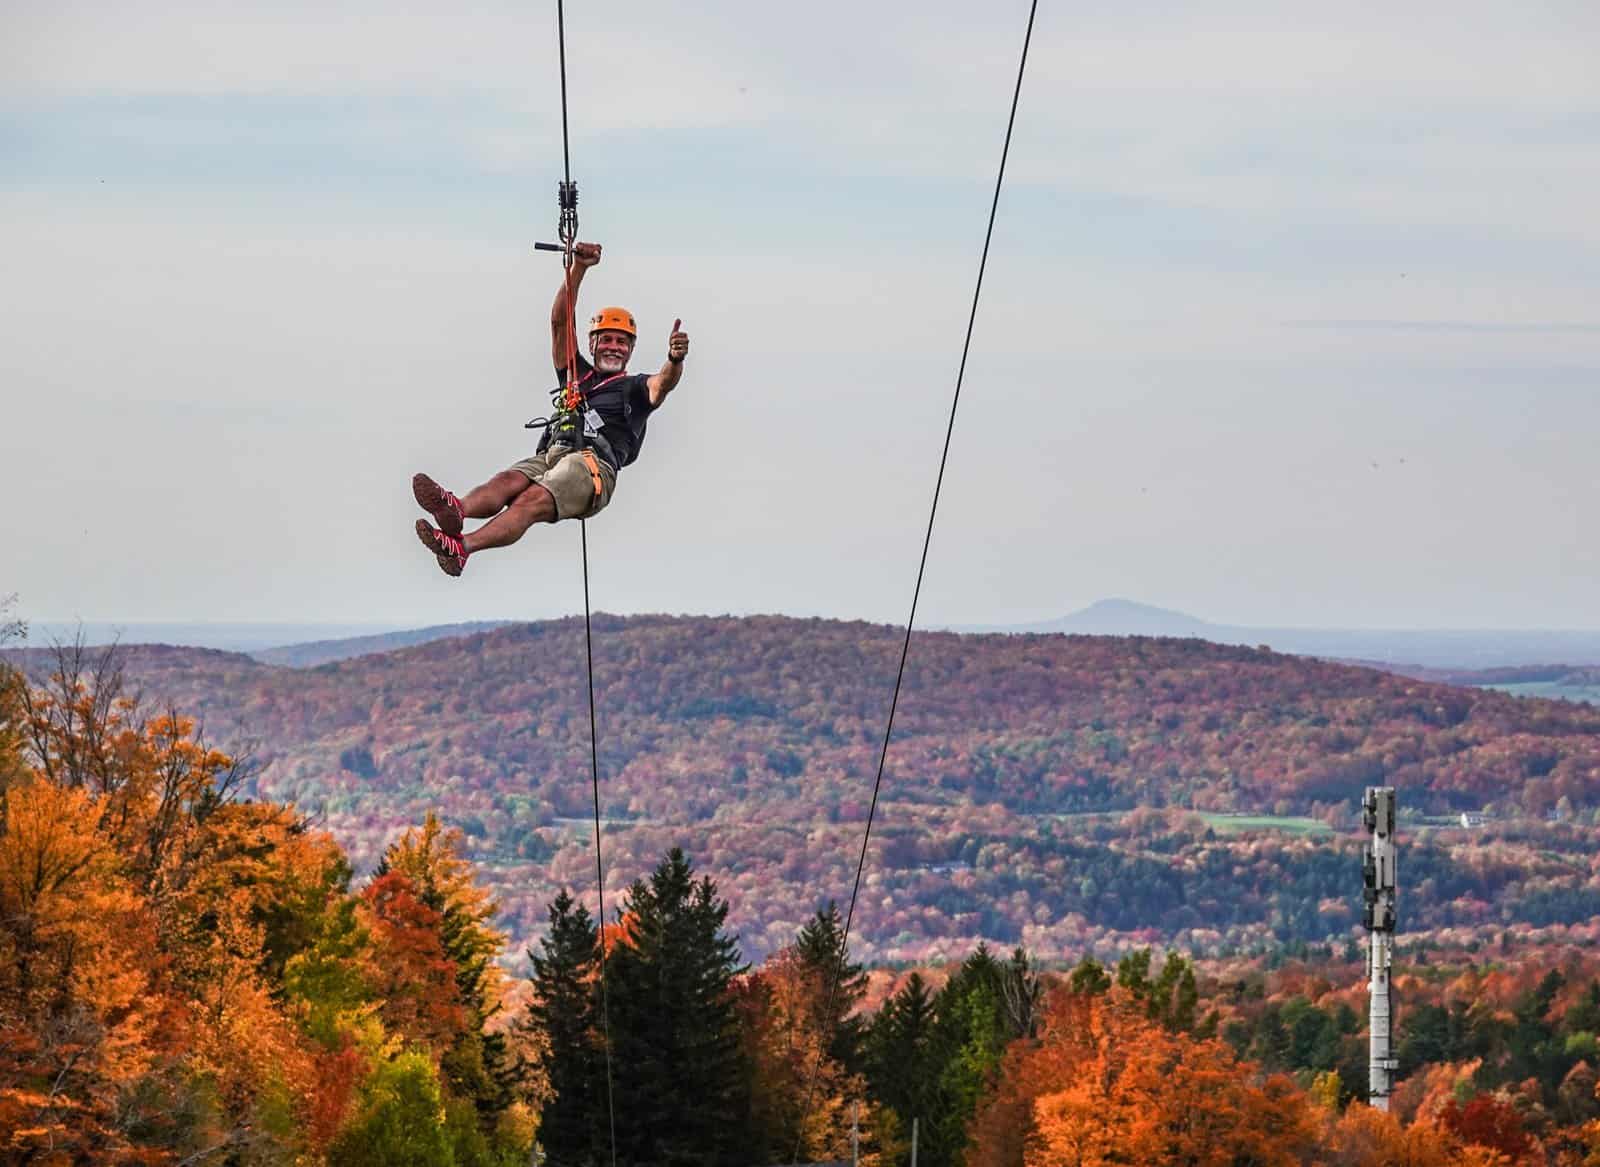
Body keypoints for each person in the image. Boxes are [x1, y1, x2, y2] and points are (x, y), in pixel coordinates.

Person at [412, 241, 689, 576]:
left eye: (621, 341)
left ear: (630, 350)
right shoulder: (576, 374)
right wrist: (579, 269)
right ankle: (457, 509)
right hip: (554, 454)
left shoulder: (635, 388)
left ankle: (463, 547)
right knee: (508, 480)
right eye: (606, 339)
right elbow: (560, 324)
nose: (612, 347)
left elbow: (664, 383)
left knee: (529, 502)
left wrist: (674, 358)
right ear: (592, 343)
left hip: (592, 467)